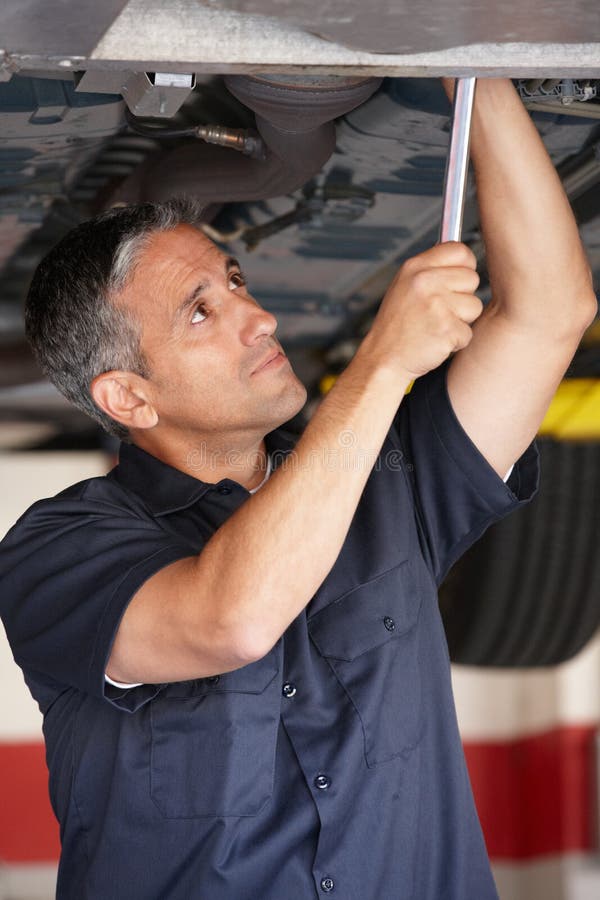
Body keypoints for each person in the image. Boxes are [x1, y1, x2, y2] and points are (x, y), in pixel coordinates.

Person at [0, 78, 595, 900]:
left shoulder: (389, 478)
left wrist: (475, 62)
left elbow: (549, 313)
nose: (260, 316)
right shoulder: (57, 550)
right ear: (128, 398)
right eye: (200, 312)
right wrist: (380, 363)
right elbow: (233, 618)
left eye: (236, 281)